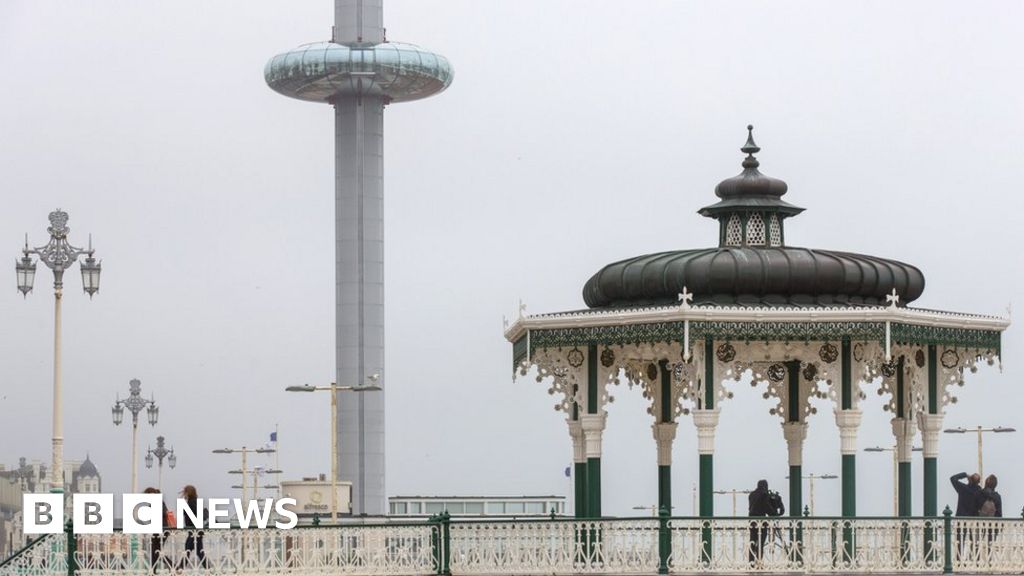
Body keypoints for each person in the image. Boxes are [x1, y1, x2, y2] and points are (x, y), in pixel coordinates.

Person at [748, 480, 785, 564]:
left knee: (752, 542)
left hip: (752, 522)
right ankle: (759, 562)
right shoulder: (764, 495)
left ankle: (751, 562)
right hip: (761, 522)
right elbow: (767, 507)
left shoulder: (751, 494)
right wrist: (775, 513)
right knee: (760, 543)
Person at [951, 472, 982, 559]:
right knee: (975, 542)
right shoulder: (979, 492)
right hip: (974, 520)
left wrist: (964, 474)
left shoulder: (963, 488)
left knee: (960, 541)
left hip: (961, 518)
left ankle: (958, 560)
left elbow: (953, 478)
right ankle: (975, 560)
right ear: (978, 482)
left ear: (969, 480)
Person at [142, 488, 170, 573]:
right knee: (154, 552)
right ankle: (153, 571)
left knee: (156, 552)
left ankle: (174, 566)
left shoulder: (158, 502)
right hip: (157, 530)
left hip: (162, 530)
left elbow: (163, 513)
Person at [179, 485, 206, 569]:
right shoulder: (193, 501)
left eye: (185, 492)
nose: (184, 494)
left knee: (188, 550)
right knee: (197, 551)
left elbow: (194, 514)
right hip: (195, 530)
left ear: (188, 492)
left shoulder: (192, 502)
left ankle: (180, 569)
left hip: (194, 531)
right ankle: (209, 569)